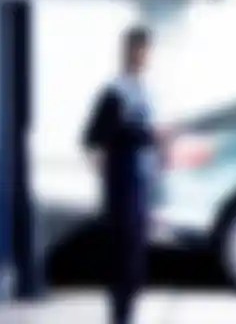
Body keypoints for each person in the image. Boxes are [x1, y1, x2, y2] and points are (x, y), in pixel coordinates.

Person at [83, 27, 161, 324]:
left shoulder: (145, 89)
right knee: (122, 251)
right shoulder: (116, 91)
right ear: (128, 51)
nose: (143, 56)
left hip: (141, 180)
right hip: (122, 180)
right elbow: (94, 136)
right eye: (139, 50)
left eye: (146, 51)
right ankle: (120, 314)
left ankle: (128, 311)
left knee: (136, 253)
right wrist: (142, 137)